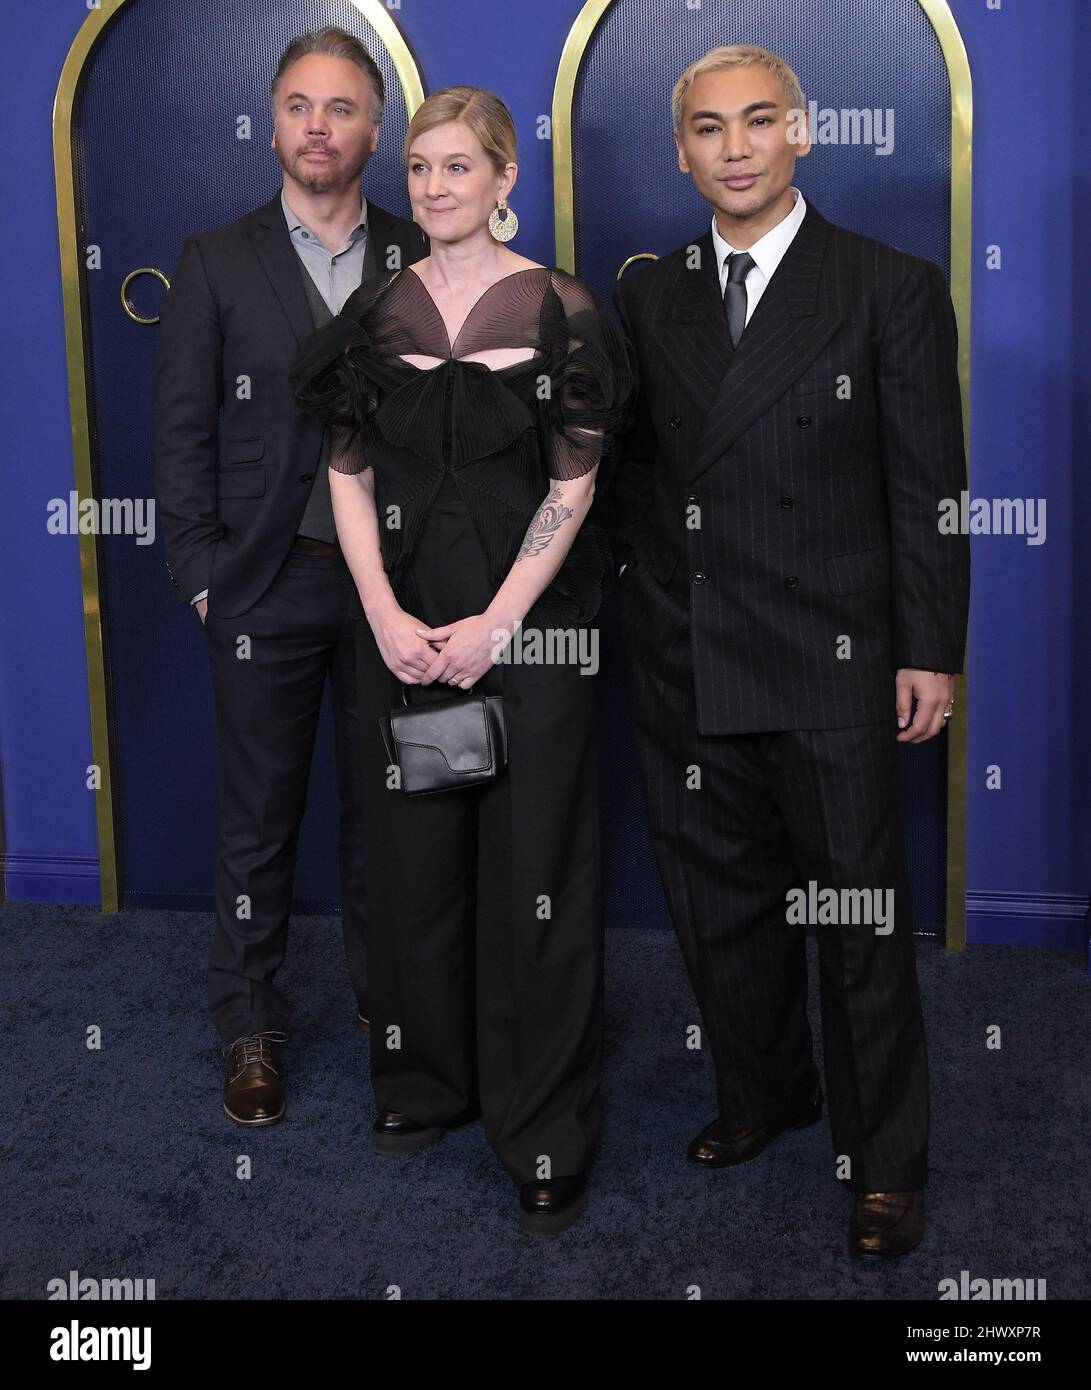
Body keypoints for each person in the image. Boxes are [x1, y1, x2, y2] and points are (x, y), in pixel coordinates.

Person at [609, 45, 970, 1259]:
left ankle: (883, 1159)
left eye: (758, 122)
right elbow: (636, 478)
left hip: (834, 658)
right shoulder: (651, 296)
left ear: (801, 132)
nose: (735, 147)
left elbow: (927, 488)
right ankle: (764, 1094)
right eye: (708, 129)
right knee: (720, 908)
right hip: (688, 653)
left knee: (858, 920)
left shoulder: (887, 285)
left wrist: (928, 646)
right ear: (681, 151)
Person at [290, 86, 634, 1235]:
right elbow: (346, 471)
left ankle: (542, 1128)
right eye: (423, 170)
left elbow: (571, 487)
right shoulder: (377, 311)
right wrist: (384, 611)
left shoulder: (563, 309)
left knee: (534, 872)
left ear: (502, 182)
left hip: (528, 630)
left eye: (458, 169)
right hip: (407, 628)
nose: (435, 188)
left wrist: (497, 622)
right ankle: (422, 1082)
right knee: (415, 863)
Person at [154, 27, 427, 1127]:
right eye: (300, 106)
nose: (319, 127)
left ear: (376, 128)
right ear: (273, 122)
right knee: (258, 821)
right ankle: (251, 1024)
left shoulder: (417, 249)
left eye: (343, 108)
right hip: (262, 585)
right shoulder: (215, 257)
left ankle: (389, 1005)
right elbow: (178, 433)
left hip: (391, 593)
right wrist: (203, 576)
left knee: (389, 812)